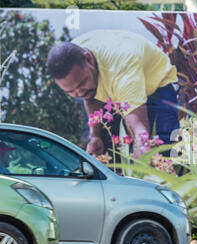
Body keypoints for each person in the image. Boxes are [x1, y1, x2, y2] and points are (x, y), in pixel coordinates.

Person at [46, 29, 179, 158]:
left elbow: (139, 128)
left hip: (156, 87)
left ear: (88, 60)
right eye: (70, 92)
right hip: (115, 91)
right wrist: (95, 136)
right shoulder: (74, 57)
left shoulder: (121, 66)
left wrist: (143, 148)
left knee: (160, 148)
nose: (78, 93)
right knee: (110, 150)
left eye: (82, 83)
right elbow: (91, 97)